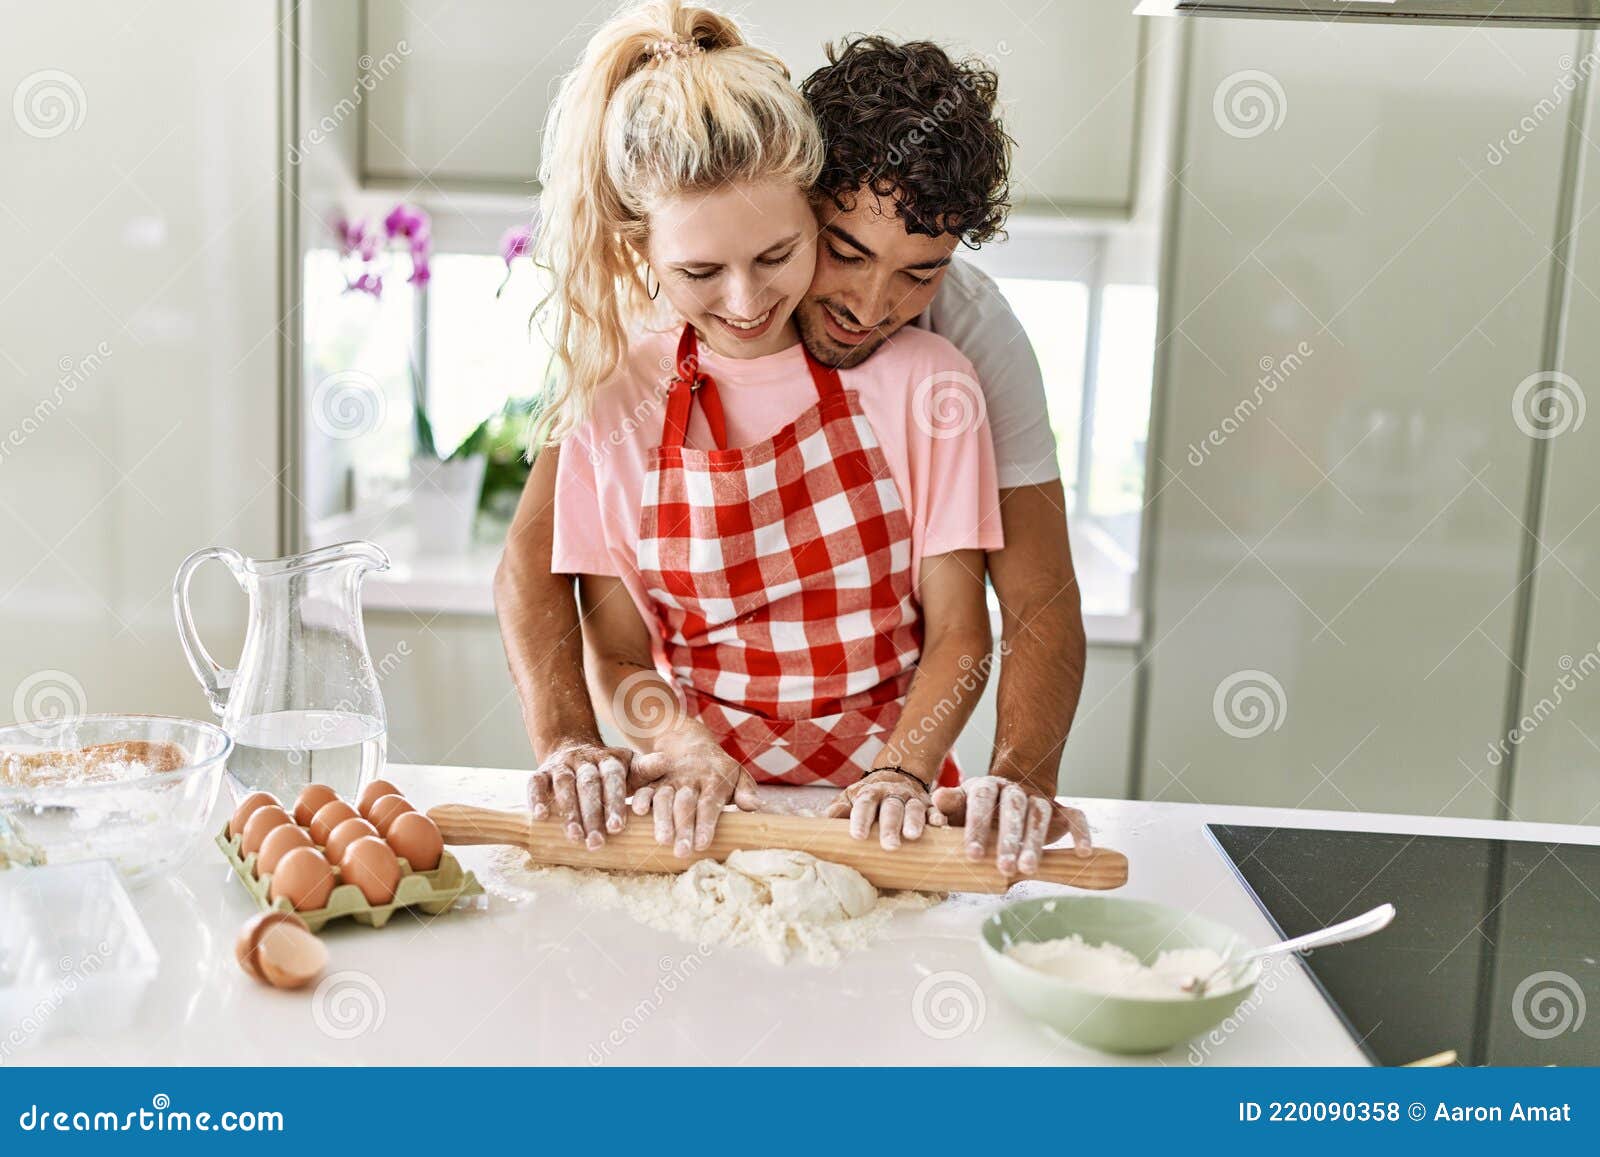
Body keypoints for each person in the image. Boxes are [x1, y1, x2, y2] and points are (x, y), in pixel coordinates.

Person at [496, 23, 1091, 875]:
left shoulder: (957, 360)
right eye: (845, 253)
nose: (872, 305)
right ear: (809, 198)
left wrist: (1014, 781)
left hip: (880, 823)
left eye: (919, 273)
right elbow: (541, 570)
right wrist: (573, 744)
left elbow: (1030, 600)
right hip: (706, 817)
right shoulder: (642, 329)